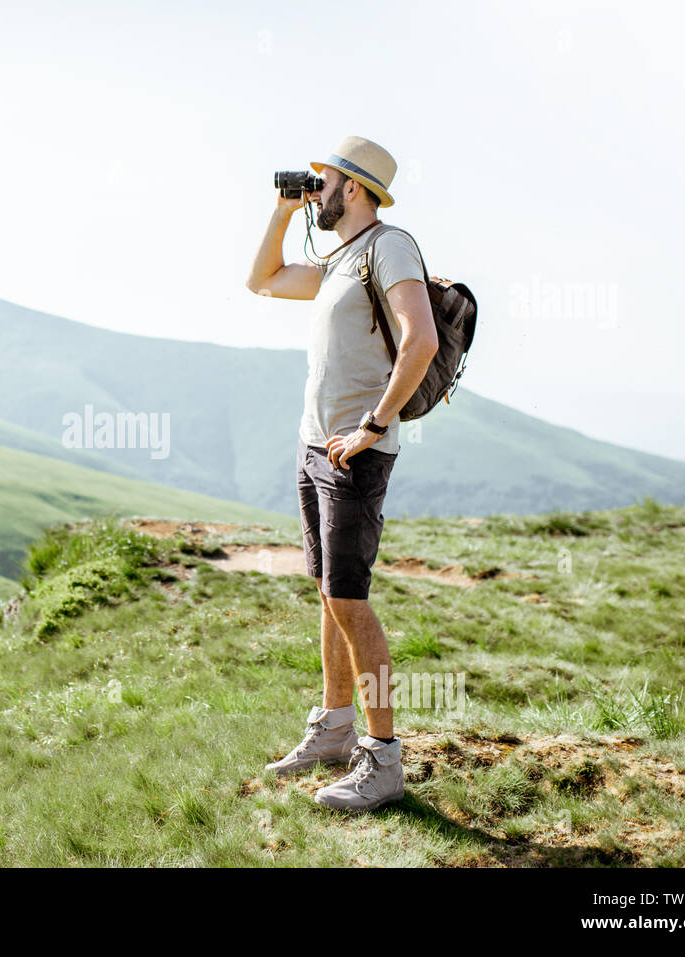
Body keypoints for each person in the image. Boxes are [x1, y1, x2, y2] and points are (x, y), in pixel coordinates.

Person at [245, 136, 437, 812]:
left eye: (322, 180)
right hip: (314, 449)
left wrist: (374, 426)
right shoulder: (338, 261)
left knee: (350, 599)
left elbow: (422, 339)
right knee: (330, 594)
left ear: (352, 188)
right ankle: (332, 730)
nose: (314, 189)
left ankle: (383, 760)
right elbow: (262, 280)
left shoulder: (390, 247)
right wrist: (281, 209)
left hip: (356, 454)